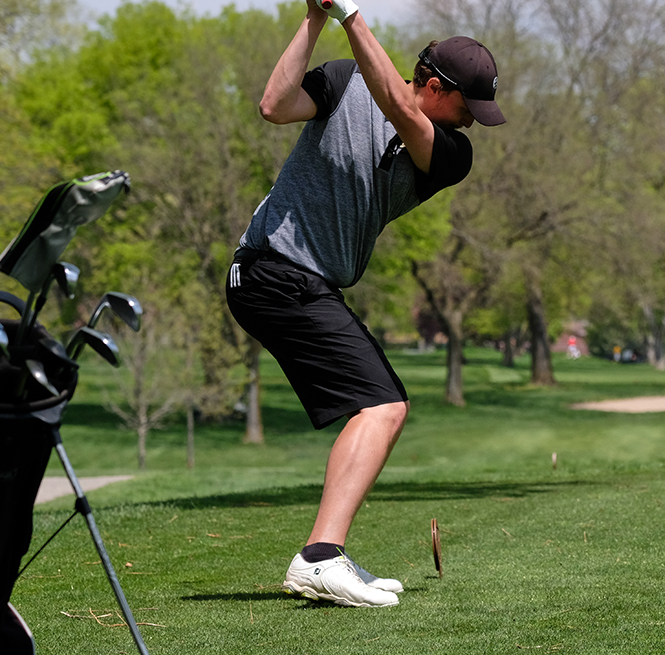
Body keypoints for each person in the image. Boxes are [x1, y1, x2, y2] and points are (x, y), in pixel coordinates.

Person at [224, 0, 503, 608]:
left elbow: (400, 111)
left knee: (382, 405)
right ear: (435, 85)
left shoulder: (451, 153)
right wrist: (316, 16)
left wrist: (351, 14)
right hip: (272, 270)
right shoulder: (344, 80)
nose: (475, 121)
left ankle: (325, 555)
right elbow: (275, 106)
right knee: (382, 406)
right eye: (468, 107)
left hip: (303, 281)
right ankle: (320, 558)